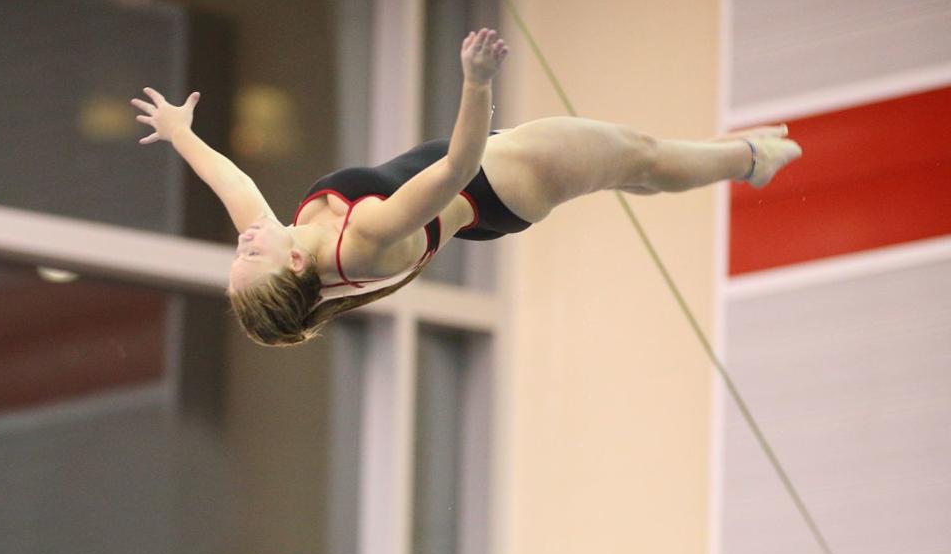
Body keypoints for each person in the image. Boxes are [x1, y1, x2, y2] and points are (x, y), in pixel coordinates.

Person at [131, 28, 801, 347]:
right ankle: (748, 160)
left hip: (484, 190)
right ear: (297, 264)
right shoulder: (359, 240)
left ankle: (731, 156)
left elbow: (235, 184)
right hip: (499, 177)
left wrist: (181, 131)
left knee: (632, 171)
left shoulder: (291, 240)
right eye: (248, 257)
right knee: (640, 157)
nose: (243, 242)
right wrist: (477, 82)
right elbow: (454, 168)